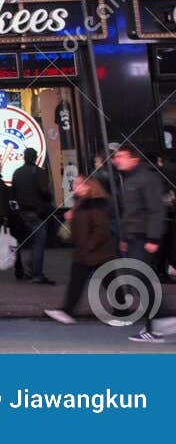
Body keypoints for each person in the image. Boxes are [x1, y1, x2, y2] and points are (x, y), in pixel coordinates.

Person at [104, 143, 168, 342]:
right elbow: (129, 212)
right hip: (134, 237)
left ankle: (159, 324)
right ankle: (158, 323)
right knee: (141, 279)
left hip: (142, 236)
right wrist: (124, 237)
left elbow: (155, 210)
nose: (116, 160)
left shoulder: (146, 178)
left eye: (120, 156)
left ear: (133, 158)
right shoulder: (130, 178)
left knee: (141, 278)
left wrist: (153, 238)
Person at [44, 174, 114, 325]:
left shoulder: (94, 204)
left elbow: (101, 229)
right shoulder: (81, 203)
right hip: (87, 250)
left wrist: (88, 246)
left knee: (103, 280)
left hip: (94, 251)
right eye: (75, 184)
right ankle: (68, 311)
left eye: (79, 184)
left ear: (89, 187)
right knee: (84, 281)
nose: (75, 187)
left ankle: (68, 311)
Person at [11, 146, 55, 286]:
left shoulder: (17, 172)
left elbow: (13, 193)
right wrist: (48, 201)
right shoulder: (39, 172)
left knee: (32, 242)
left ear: (24, 157)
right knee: (39, 243)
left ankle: (30, 269)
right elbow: (45, 191)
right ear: (35, 157)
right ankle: (37, 274)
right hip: (37, 212)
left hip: (23, 212)